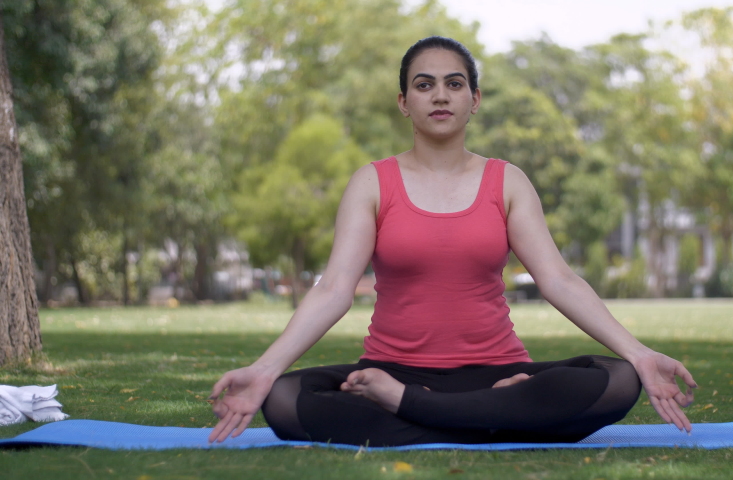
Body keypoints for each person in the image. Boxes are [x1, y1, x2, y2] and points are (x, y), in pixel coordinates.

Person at [208, 36, 697, 446]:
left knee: (619, 379)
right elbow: (335, 287)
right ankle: (491, 419)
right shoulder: (372, 182)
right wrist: (265, 368)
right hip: (391, 370)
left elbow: (559, 280)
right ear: (404, 102)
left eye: (454, 84)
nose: (440, 95)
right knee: (282, 398)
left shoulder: (507, 181)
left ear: (474, 99)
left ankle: (412, 410)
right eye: (424, 85)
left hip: (498, 373)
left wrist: (638, 353)